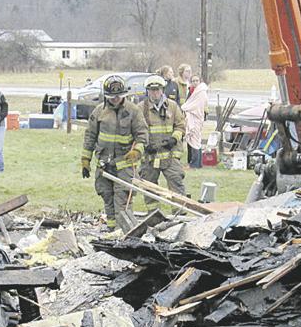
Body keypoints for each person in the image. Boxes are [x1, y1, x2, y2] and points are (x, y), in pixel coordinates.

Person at [81, 73, 147, 232]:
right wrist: (85, 160)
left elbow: (142, 135)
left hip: (124, 166)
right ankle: (112, 231)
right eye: (112, 96)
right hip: (104, 165)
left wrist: (137, 151)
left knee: (122, 201)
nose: (116, 99)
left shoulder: (134, 111)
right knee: (107, 198)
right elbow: (90, 136)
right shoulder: (99, 112)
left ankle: (125, 232)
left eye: (118, 96)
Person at [139, 74, 187, 207]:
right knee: (149, 186)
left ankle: (179, 213)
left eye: (157, 90)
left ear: (163, 90)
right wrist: (145, 144)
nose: (155, 93)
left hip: (170, 155)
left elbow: (181, 126)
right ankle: (154, 214)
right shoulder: (140, 108)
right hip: (150, 156)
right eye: (152, 90)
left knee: (176, 182)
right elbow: (137, 130)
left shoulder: (172, 106)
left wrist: (174, 139)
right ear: (147, 91)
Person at [182, 76, 209, 169]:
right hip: (191, 117)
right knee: (193, 140)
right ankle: (195, 162)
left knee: (195, 141)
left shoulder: (201, 92)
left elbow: (196, 105)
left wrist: (184, 107)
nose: (195, 82)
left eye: (197, 80)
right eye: (193, 81)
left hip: (197, 117)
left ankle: (195, 163)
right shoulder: (192, 91)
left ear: (200, 81)